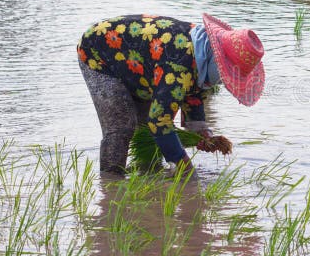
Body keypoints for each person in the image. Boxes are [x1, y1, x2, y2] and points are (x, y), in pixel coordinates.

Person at [78, 13, 265, 178]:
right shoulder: (179, 63)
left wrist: (200, 130)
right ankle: (111, 183)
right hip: (100, 53)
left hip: (141, 65)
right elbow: (159, 121)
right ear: (216, 59)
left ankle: (147, 173)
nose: (224, 81)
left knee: (145, 128)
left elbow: (193, 90)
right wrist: (183, 165)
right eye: (225, 75)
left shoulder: (201, 53)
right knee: (122, 126)